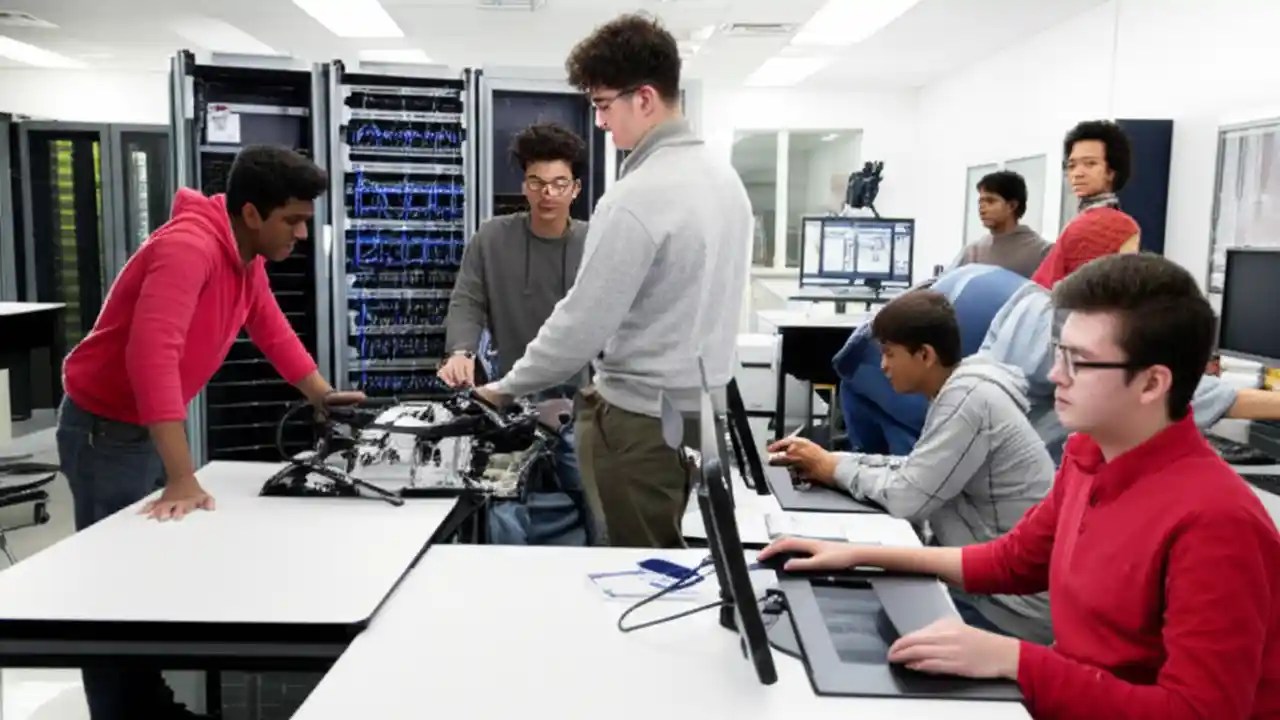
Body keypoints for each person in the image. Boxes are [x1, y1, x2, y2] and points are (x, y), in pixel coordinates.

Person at [762, 254, 1280, 719]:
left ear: (1152, 383)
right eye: (1059, 353)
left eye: (1078, 361)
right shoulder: (1087, 457)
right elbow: (1011, 561)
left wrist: (1015, 660)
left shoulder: (1216, 521)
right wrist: (857, 555)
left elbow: (1198, 712)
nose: (1055, 375)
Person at [56, 145, 363, 719]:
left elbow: (269, 328)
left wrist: (321, 394)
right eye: (292, 221)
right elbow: (152, 360)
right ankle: (122, 712)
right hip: (105, 432)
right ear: (252, 214)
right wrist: (180, 476)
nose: (300, 234)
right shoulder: (188, 250)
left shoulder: (242, 256)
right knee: (109, 591)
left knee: (142, 582)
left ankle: (148, 702)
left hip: (136, 430)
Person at [474, 13, 753, 549]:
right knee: (673, 552)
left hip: (640, 423)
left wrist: (503, 387)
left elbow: (582, 324)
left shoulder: (638, 196)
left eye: (603, 105)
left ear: (643, 98)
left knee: (639, 571)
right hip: (699, 412)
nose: (599, 122)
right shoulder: (725, 181)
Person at [770, 290, 1053, 644]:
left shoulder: (969, 400)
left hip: (1008, 609)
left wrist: (831, 469)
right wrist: (835, 462)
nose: (884, 366)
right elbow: (918, 470)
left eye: (889, 354)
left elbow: (908, 497)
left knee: (870, 628)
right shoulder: (960, 389)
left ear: (925, 355)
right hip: (988, 591)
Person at [439, 122, 592, 545]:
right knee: (501, 505)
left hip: (584, 402)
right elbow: (468, 300)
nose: (548, 194)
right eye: (537, 183)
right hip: (509, 402)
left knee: (599, 503)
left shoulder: (597, 243)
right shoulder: (492, 238)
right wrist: (461, 351)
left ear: (575, 189)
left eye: (559, 184)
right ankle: (507, 593)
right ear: (524, 187)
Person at [1031, 119, 1141, 288]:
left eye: (1090, 164)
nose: (1077, 173)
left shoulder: (1108, 223)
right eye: (1072, 165)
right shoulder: (1124, 223)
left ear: (1111, 171)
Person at [951, 170, 1051, 278]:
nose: (982, 208)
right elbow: (942, 284)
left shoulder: (1042, 252)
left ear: (1012, 206)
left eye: (990, 201)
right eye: (980, 202)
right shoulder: (973, 252)